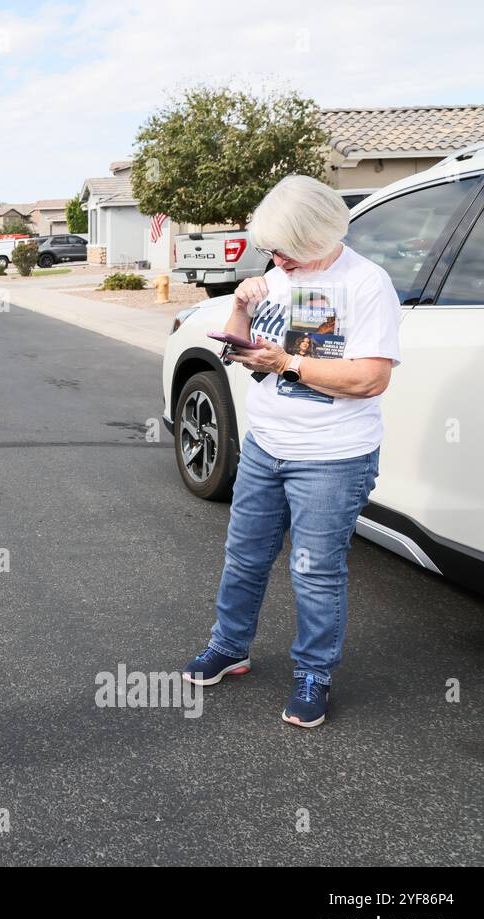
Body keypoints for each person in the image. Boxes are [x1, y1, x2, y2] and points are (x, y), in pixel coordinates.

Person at [180, 175, 401, 729]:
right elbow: (236, 348)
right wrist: (240, 309)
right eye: (271, 250)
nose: (274, 258)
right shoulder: (278, 276)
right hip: (266, 444)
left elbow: (371, 379)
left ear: (318, 235)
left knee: (316, 571)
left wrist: (287, 364)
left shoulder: (368, 284)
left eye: (283, 249)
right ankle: (229, 647)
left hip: (332, 456)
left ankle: (314, 675)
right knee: (245, 556)